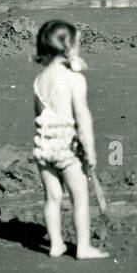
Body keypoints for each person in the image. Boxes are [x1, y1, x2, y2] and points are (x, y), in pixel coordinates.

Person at [31, 20, 109, 259]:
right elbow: (82, 117)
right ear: (69, 47)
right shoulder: (74, 79)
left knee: (52, 197)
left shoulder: (40, 79)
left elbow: (38, 114)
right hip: (67, 146)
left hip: (44, 145)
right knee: (80, 197)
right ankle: (83, 247)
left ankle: (56, 244)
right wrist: (91, 149)